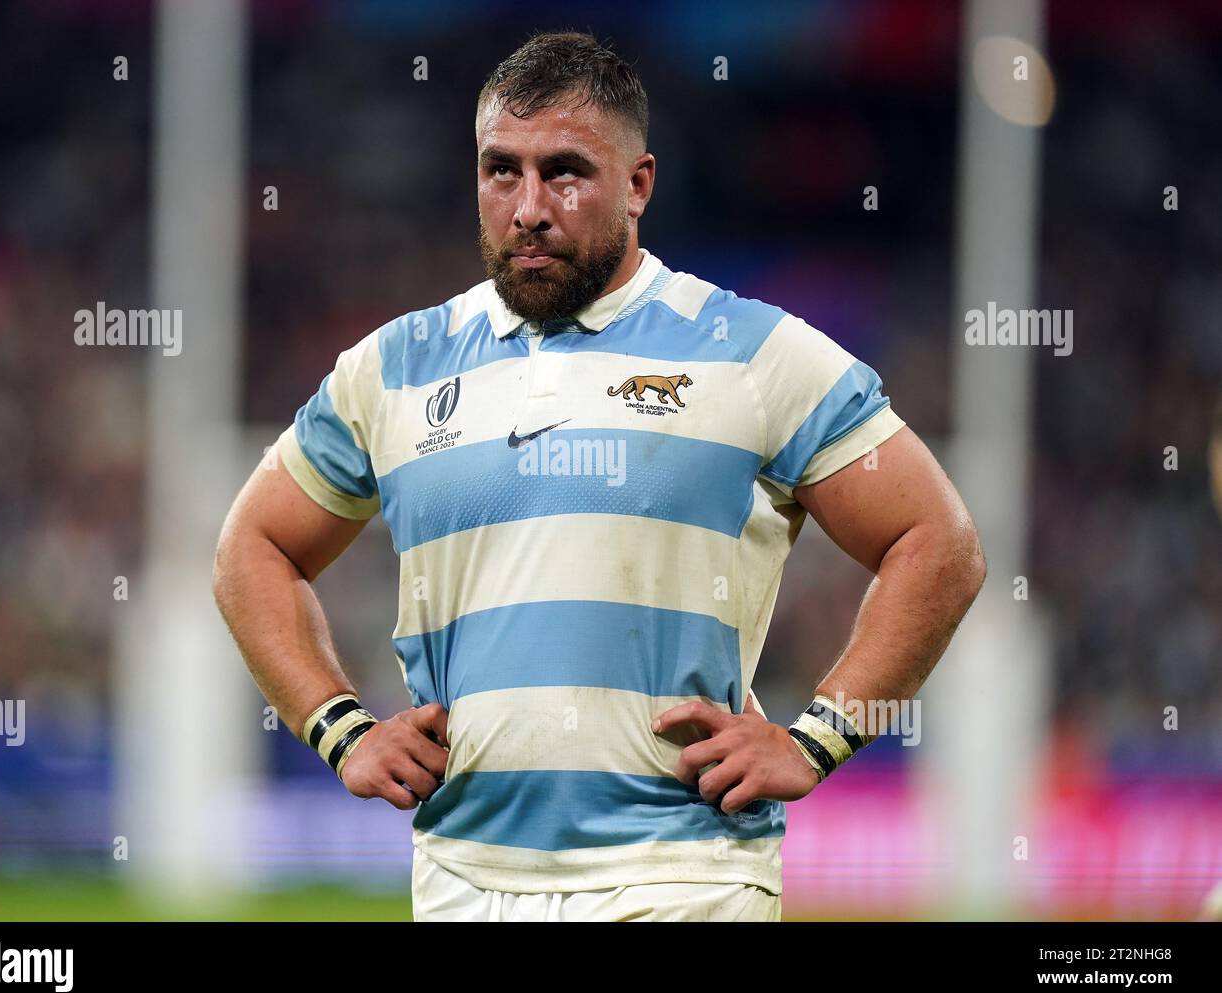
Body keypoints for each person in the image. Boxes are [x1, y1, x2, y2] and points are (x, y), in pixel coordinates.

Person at [213, 31, 986, 922]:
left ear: (639, 184)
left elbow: (940, 543)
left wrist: (816, 741)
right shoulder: (394, 367)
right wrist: (340, 729)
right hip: (463, 879)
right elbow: (251, 548)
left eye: (565, 172)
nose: (529, 208)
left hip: (680, 876)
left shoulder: (753, 352)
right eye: (501, 171)